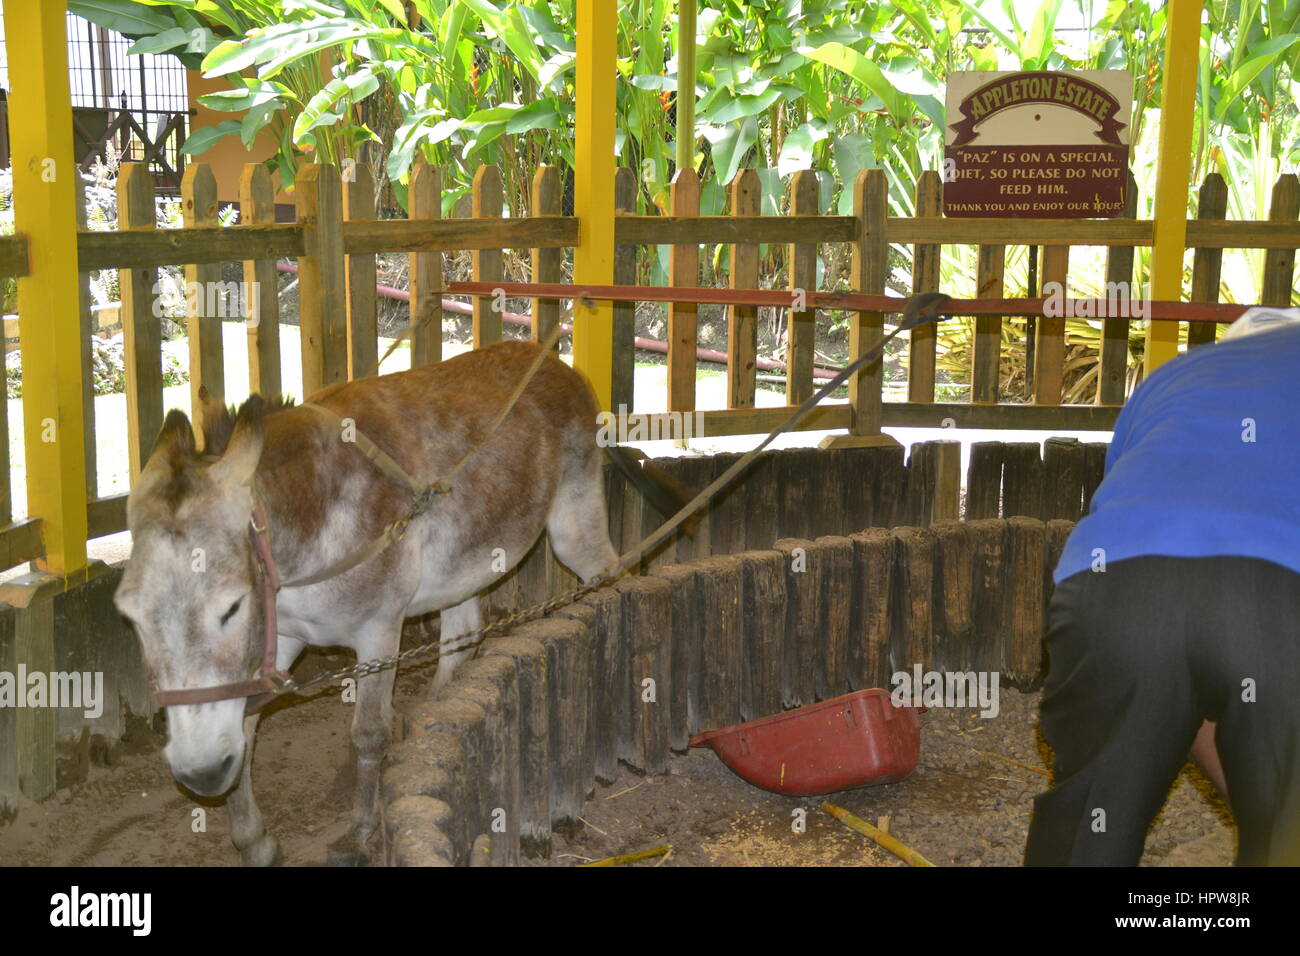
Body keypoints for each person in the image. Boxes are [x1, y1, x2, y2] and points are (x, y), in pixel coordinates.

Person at [1025, 308, 1300, 866]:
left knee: (1089, 827)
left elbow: (1183, 667)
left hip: (1116, 585)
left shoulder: (1172, 376)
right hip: (1277, 592)